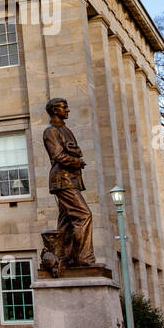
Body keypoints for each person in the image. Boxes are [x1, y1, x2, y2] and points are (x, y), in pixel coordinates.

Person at [43, 97, 96, 267]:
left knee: (66, 222)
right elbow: (58, 156)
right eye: (64, 107)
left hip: (71, 180)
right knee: (84, 215)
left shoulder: (65, 130)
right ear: (54, 110)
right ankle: (84, 258)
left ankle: (63, 257)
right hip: (62, 180)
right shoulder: (50, 131)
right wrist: (78, 163)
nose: (68, 110)